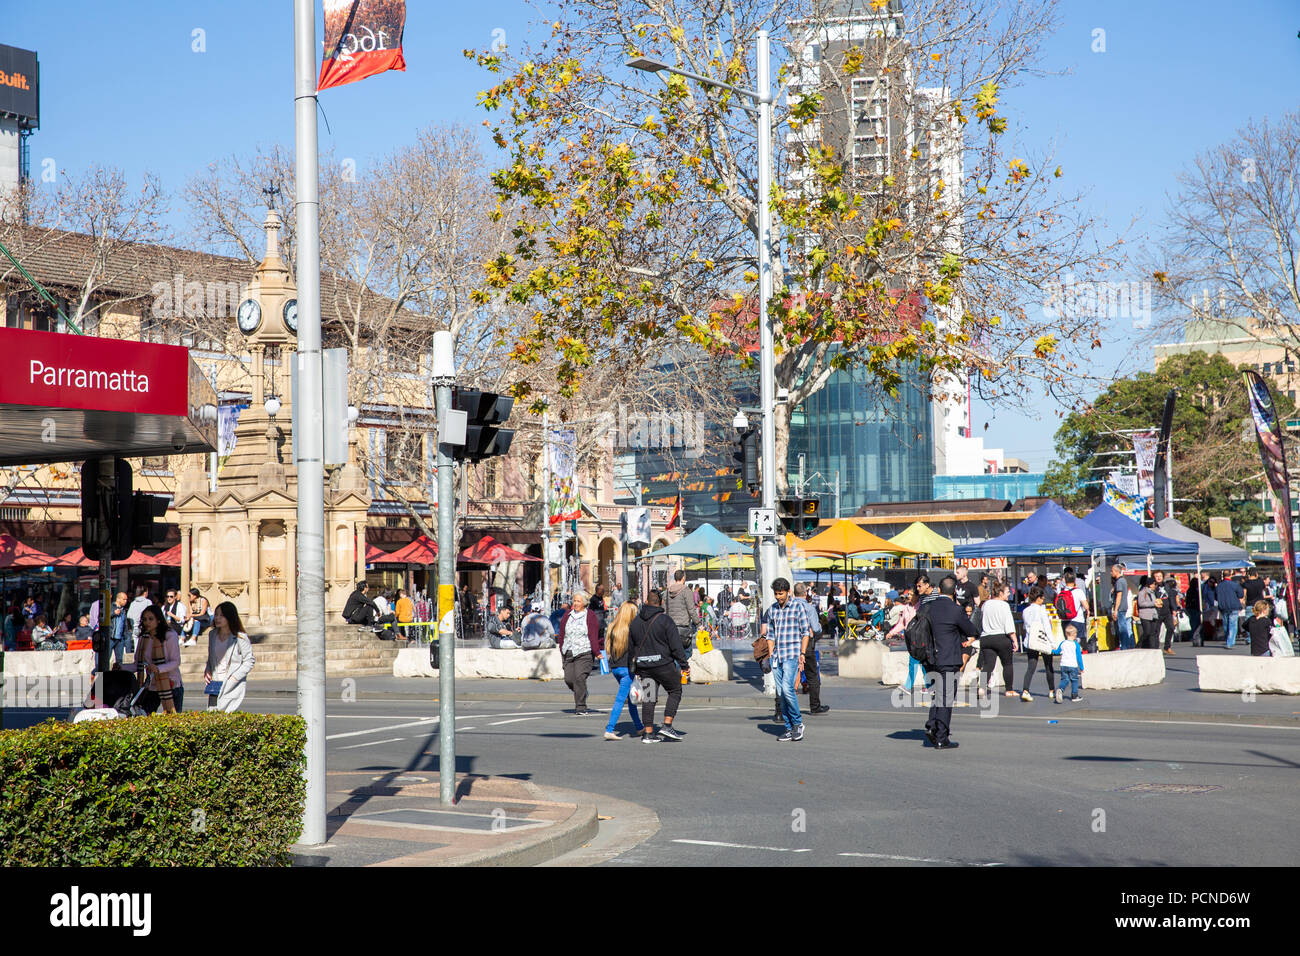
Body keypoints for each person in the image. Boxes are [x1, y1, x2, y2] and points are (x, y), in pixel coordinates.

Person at [923, 576, 978, 749]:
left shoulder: (928, 608)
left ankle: (932, 725)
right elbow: (971, 630)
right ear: (954, 591)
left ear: (938, 590)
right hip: (949, 658)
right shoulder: (956, 610)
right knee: (946, 698)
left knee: (938, 695)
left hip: (931, 658)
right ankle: (941, 737)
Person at [628, 589, 689, 743]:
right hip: (663, 665)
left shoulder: (635, 622)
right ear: (660, 602)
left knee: (649, 698)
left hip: (644, 667)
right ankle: (667, 725)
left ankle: (648, 733)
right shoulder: (665, 620)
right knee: (675, 690)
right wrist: (684, 664)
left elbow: (631, 647)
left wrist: (632, 667)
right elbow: (676, 646)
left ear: (646, 602)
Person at [763, 577, 812, 743]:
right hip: (777, 656)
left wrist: (802, 653)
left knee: (787, 689)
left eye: (781, 593)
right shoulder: (772, 610)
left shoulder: (798, 607)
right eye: (776, 594)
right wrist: (770, 656)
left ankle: (798, 724)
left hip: (792, 654)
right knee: (781, 693)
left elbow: (806, 632)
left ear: (788, 592)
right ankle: (789, 727)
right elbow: (770, 635)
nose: (778, 597)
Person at [603, 601, 646, 740]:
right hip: (627, 669)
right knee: (621, 700)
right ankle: (610, 729)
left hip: (615, 668)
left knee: (629, 698)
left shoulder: (613, 627)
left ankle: (639, 727)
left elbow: (608, 648)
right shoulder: (632, 629)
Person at [203, 601, 255, 712]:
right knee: (212, 716)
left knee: (226, 717)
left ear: (230, 617)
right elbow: (211, 657)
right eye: (216, 614)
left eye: (222, 615)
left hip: (230, 683)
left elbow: (249, 660)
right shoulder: (212, 634)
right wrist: (207, 670)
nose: (217, 618)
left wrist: (235, 677)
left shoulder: (240, 637)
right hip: (215, 683)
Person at [558, 590, 603, 715]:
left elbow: (593, 635)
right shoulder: (568, 615)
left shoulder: (590, 615)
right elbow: (562, 634)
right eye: (574, 601)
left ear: (584, 603)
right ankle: (582, 692)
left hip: (584, 652)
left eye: (578, 601)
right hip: (568, 652)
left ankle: (581, 706)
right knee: (569, 679)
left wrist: (597, 652)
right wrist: (561, 648)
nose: (576, 603)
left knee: (579, 678)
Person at [134, 603, 182, 713]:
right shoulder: (144, 638)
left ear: (158, 620)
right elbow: (138, 664)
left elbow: (175, 661)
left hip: (171, 684)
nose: (147, 622)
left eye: (151, 619)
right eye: (145, 619)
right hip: (152, 686)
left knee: (173, 719)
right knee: (145, 716)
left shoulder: (170, 635)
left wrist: (158, 668)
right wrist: (121, 666)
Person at [978, 580, 1018, 699]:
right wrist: (1014, 640)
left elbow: (981, 620)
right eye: (1007, 592)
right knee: (1007, 664)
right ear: (1000, 593)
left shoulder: (986, 604)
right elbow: (1009, 625)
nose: (1009, 594)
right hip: (1001, 637)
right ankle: (1009, 689)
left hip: (986, 637)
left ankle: (982, 687)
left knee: (988, 664)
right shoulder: (1004, 605)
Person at [794, 582, 829, 715]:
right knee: (812, 676)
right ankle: (815, 706)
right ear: (805, 593)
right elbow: (815, 628)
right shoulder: (809, 608)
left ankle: (783, 707)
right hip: (806, 644)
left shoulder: (789, 606)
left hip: (791, 644)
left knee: (788, 676)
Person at [1019, 586, 1057, 701]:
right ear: (1039, 598)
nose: (1044, 598)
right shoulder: (1041, 610)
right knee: (1048, 665)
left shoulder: (1025, 611)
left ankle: (1025, 690)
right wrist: (1053, 642)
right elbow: (1047, 627)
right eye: (1042, 597)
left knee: (1031, 666)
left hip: (1031, 640)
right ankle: (1051, 690)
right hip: (1042, 639)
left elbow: (1026, 626)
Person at [665, 569, 699, 656]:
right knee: (687, 653)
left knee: (673, 653)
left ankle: (676, 667)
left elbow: (664, 609)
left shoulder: (667, 591)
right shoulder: (686, 591)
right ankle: (678, 668)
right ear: (683, 578)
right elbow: (691, 609)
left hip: (670, 627)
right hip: (683, 628)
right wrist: (698, 624)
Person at [1056, 569, 1088, 650]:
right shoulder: (1078, 591)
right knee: (1079, 643)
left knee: (1068, 642)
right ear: (1074, 580)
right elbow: (1086, 606)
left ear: (1065, 580)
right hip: (1078, 620)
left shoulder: (1061, 592)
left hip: (1065, 620)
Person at [1055, 623, 1084, 703]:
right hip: (1072, 665)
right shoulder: (1076, 645)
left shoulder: (1063, 643)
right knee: (1074, 680)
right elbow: (1079, 657)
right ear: (1074, 634)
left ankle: (1060, 689)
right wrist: (1081, 667)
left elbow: (1057, 652)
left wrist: (1051, 650)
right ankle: (1074, 695)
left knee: (1065, 679)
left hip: (1063, 665)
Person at [1215, 573, 1245, 648]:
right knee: (1233, 624)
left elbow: (1215, 597)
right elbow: (1241, 594)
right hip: (1234, 606)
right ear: (1230, 575)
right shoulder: (1234, 585)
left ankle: (1228, 639)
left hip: (1223, 607)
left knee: (1226, 624)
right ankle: (1230, 642)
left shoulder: (1219, 586)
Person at [1110, 563, 1133, 650]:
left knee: (1122, 627)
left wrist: (1115, 609)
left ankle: (1124, 646)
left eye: (1112, 571)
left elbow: (1119, 595)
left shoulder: (1119, 581)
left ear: (1116, 571)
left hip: (1120, 607)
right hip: (1123, 607)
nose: (1111, 573)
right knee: (1123, 626)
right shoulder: (1123, 581)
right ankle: (1125, 645)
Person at [1136, 576, 1160, 649]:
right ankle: (1139, 645)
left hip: (1153, 615)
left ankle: (1152, 647)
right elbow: (1141, 603)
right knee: (1147, 632)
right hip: (1145, 615)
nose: (1154, 586)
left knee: (1153, 633)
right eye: (1153, 584)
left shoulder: (1153, 593)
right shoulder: (1142, 592)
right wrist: (1153, 603)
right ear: (1149, 584)